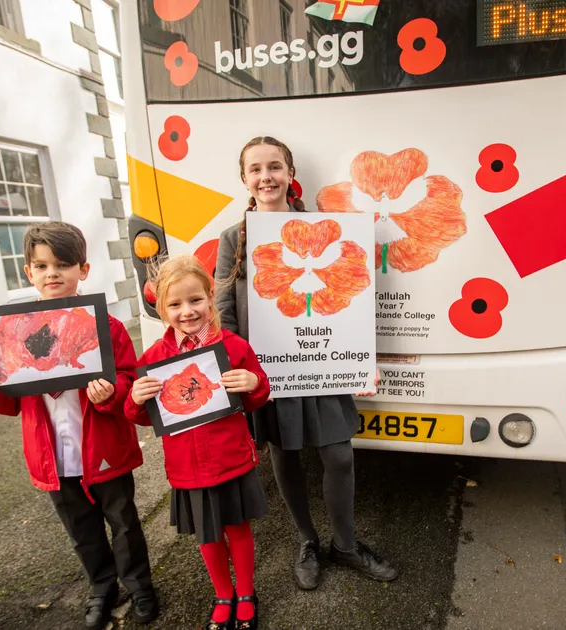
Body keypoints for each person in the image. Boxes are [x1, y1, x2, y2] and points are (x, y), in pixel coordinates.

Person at [214, 136, 398, 592]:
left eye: (274, 167)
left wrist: (361, 358)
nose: (266, 177)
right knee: (285, 456)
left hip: (320, 366)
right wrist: (237, 370)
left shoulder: (326, 226)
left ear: (290, 174)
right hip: (267, 373)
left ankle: (346, 545)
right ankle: (307, 541)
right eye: (255, 169)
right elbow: (225, 311)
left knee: (338, 456)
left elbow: (353, 298)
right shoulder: (232, 239)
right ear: (244, 179)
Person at [0, 221, 158, 629]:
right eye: (42, 265)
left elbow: (127, 379)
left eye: (64, 264)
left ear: (83, 270)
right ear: (28, 272)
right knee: (82, 531)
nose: (53, 273)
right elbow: (5, 402)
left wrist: (111, 394)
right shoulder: (11, 333)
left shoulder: (108, 327)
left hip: (104, 449)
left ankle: (140, 585)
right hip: (52, 456)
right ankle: (102, 587)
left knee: (124, 524)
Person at [126, 255, 270, 630]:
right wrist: (135, 398)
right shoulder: (155, 359)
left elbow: (256, 394)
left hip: (230, 458)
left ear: (210, 298)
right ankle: (223, 594)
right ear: (161, 309)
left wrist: (255, 385)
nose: (187, 311)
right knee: (208, 537)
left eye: (195, 300)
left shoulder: (233, 346)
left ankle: (247, 592)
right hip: (188, 467)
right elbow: (142, 415)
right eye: (175, 304)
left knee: (237, 528)